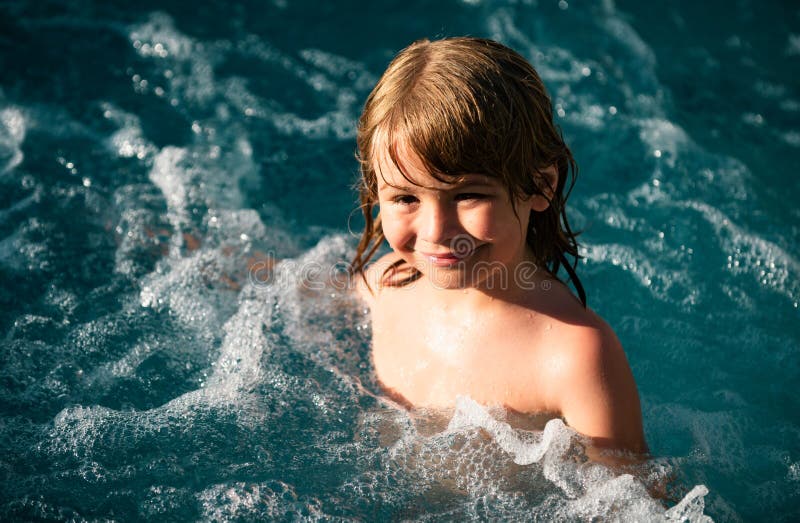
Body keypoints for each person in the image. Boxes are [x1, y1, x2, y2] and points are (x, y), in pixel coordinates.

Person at [351, 37, 647, 455]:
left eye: (468, 195)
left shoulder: (573, 354)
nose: (437, 230)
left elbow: (627, 500)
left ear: (541, 185)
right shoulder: (385, 285)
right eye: (405, 199)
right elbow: (298, 304)